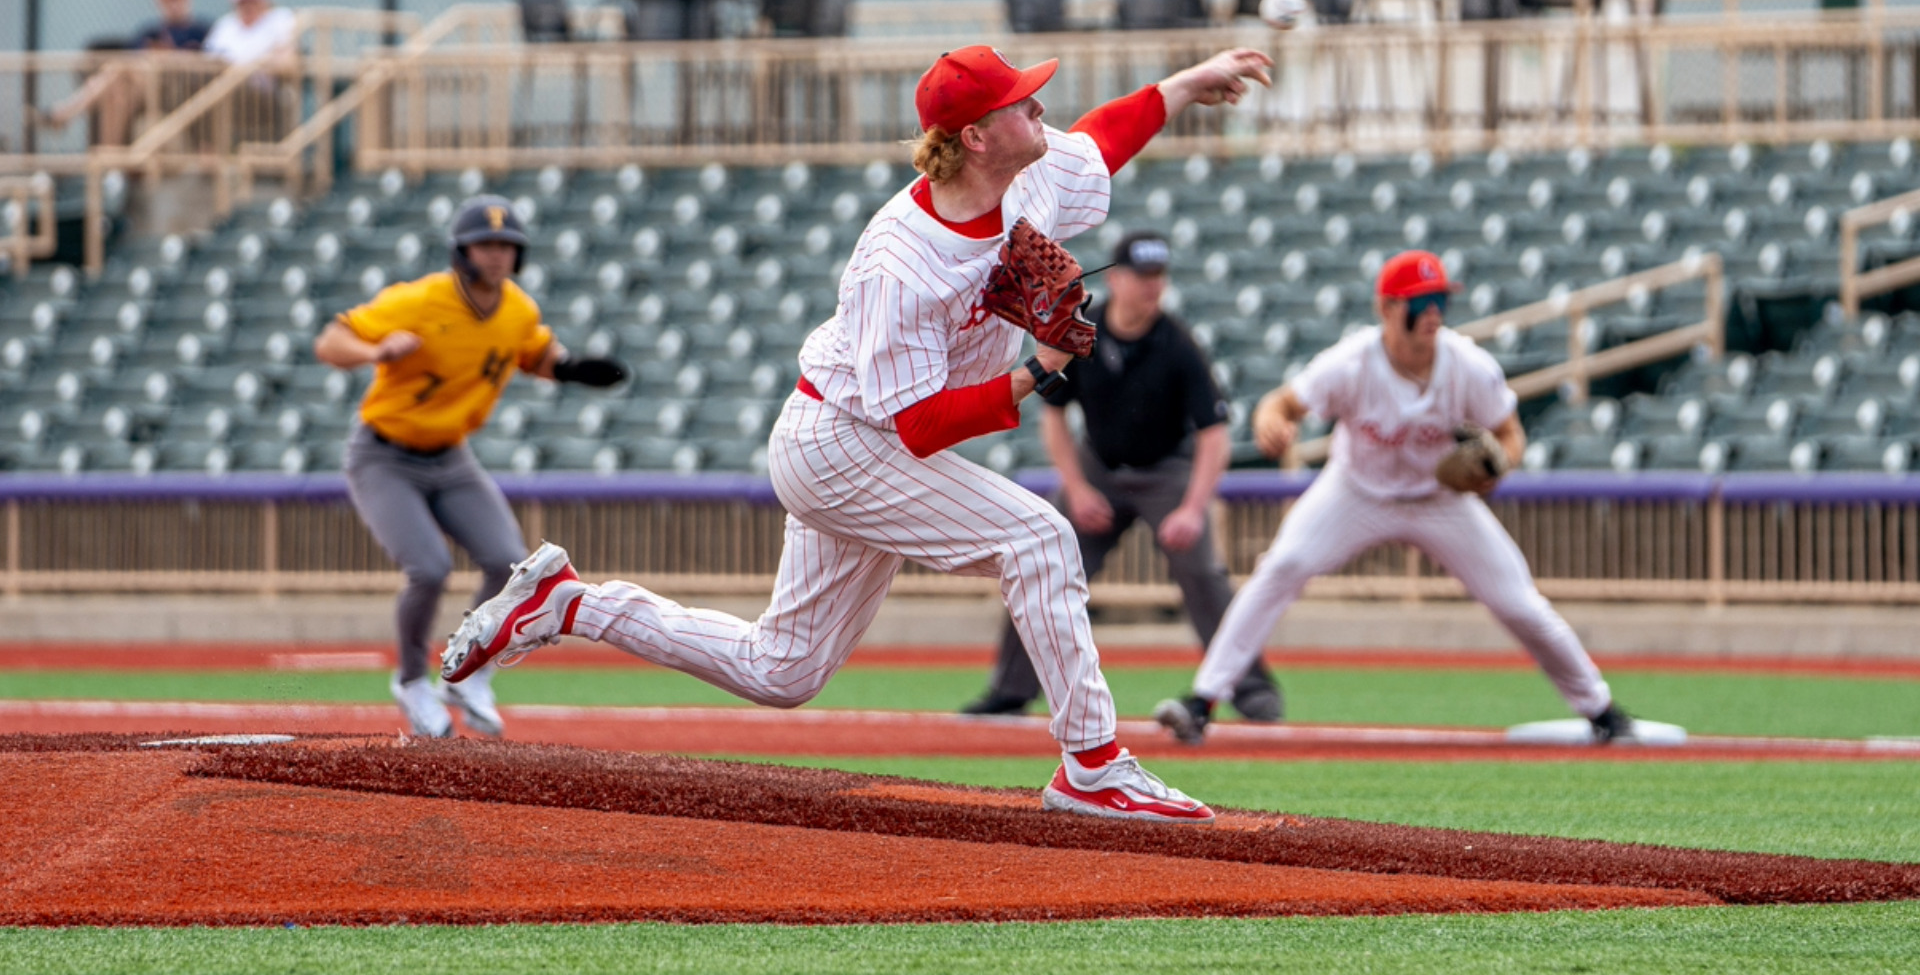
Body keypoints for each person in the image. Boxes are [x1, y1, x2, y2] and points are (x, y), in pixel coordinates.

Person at [442, 43, 1274, 822]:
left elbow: (1102, 140)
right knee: (1041, 539)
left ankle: (574, 604)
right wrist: (1039, 367)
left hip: (869, 446)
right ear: (978, 135)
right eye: (1023, 101)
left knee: (784, 670)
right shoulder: (900, 264)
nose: (1041, 104)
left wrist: (1184, 85)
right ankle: (1093, 764)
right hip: (839, 445)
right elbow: (918, 426)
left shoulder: (1026, 172)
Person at [1154, 249, 1650, 746]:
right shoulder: (1352, 362)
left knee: (1519, 604)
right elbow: (1280, 402)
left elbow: (1509, 431)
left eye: (1440, 300)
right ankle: (1201, 701)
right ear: (1387, 308)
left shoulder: (1468, 364)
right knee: (1282, 566)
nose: (1434, 311)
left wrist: (1498, 465)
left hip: (1440, 499)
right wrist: (1273, 424)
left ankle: (1602, 709)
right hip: (1354, 492)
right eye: (1422, 301)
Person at [314, 195, 626, 738]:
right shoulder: (419, 300)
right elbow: (332, 340)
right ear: (462, 250)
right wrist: (375, 353)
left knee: (509, 563)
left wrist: (572, 369)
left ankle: (464, 673)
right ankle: (412, 680)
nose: (497, 255)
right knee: (429, 567)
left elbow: (533, 352)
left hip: (451, 456)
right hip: (384, 455)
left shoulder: (517, 309)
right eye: (486, 244)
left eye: (507, 246)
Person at [961, 229, 1282, 721]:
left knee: (1204, 573)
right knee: (1043, 563)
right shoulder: (1085, 331)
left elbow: (1214, 433)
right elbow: (1053, 416)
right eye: (1142, 275)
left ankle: (1250, 691)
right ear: (1118, 278)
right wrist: (1077, 486)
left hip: (1164, 472)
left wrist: (1194, 509)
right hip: (1099, 468)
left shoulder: (1177, 343)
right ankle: (1010, 690)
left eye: (1159, 276)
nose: (1152, 286)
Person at [43, 0, 212, 144]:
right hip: (141, 92)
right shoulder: (149, 31)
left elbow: (212, 64)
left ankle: (66, 112)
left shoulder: (201, 31)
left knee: (118, 71)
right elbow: (132, 59)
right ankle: (112, 164)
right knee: (116, 92)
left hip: (179, 92)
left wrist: (172, 58)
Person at [203, 0, 298, 66]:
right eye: (243, 2)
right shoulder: (226, 24)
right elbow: (210, 55)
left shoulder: (280, 18)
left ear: (265, 0)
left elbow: (286, 59)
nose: (248, 6)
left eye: (253, 1)